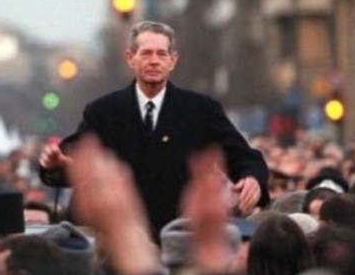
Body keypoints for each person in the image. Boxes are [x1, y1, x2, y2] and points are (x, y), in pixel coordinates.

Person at [38, 20, 269, 235]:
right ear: (130, 58)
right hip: (117, 240)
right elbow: (75, 157)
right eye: (146, 53)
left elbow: (243, 156)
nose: (154, 61)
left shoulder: (200, 111)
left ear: (173, 60)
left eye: (161, 54)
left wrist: (252, 178)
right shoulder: (103, 112)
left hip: (176, 236)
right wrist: (56, 165)